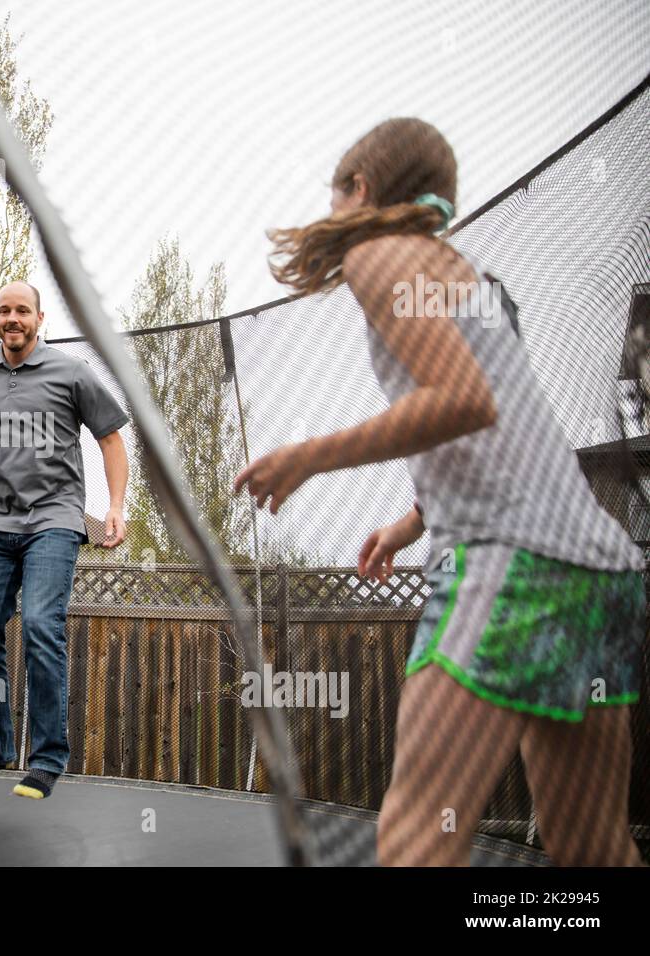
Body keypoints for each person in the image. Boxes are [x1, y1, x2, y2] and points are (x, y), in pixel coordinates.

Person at [235, 117, 646, 865]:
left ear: (360, 188)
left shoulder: (376, 251)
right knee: (593, 847)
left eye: (336, 196)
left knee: (418, 833)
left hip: (513, 568)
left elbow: (463, 400)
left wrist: (308, 456)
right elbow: (507, 435)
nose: (332, 215)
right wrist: (411, 521)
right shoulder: (472, 280)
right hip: (597, 572)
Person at [0, 280, 129, 799]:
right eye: (4, 311)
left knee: (42, 623)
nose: (12, 319)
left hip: (55, 519)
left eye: (23, 311)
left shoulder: (71, 372)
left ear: (41, 320)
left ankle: (46, 759)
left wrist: (114, 507)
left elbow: (111, 439)